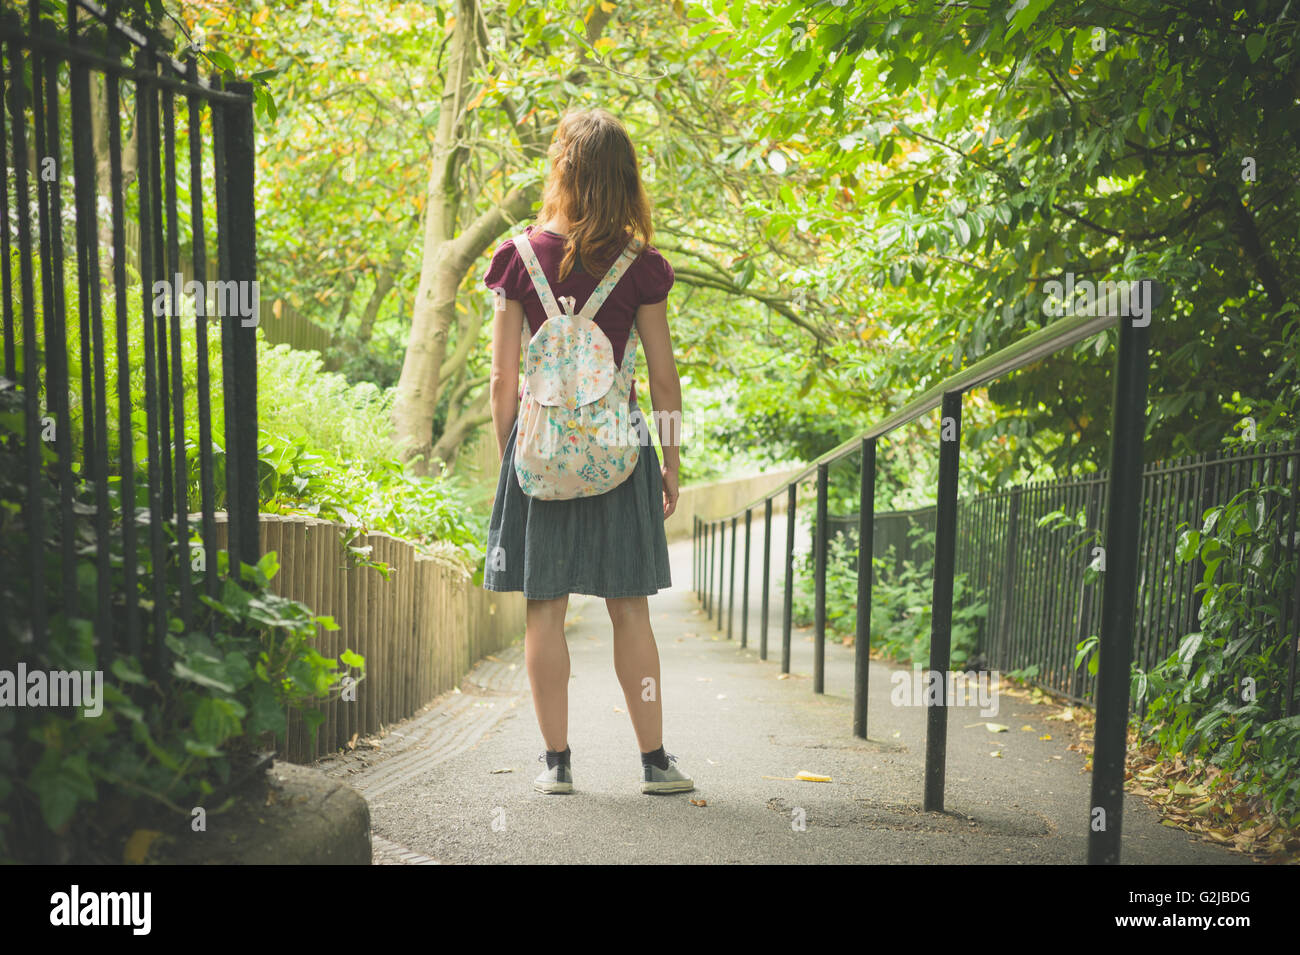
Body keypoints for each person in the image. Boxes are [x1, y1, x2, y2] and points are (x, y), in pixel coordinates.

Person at [481, 108, 693, 796]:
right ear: (625, 180)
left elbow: (501, 377)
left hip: (539, 453)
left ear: (562, 172)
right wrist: (670, 461)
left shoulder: (517, 256)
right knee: (628, 606)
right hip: (619, 453)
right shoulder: (641, 266)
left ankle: (557, 764)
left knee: (544, 605)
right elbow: (663, 378)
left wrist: (512, 447)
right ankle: (655, 762)